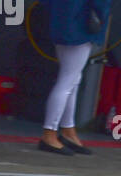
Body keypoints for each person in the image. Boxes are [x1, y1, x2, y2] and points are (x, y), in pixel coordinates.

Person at [40, 0, 111, 156]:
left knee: (72, 79)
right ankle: (50, 134)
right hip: (80, 25)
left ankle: (67, 130)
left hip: (62, 24)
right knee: (68, 80)